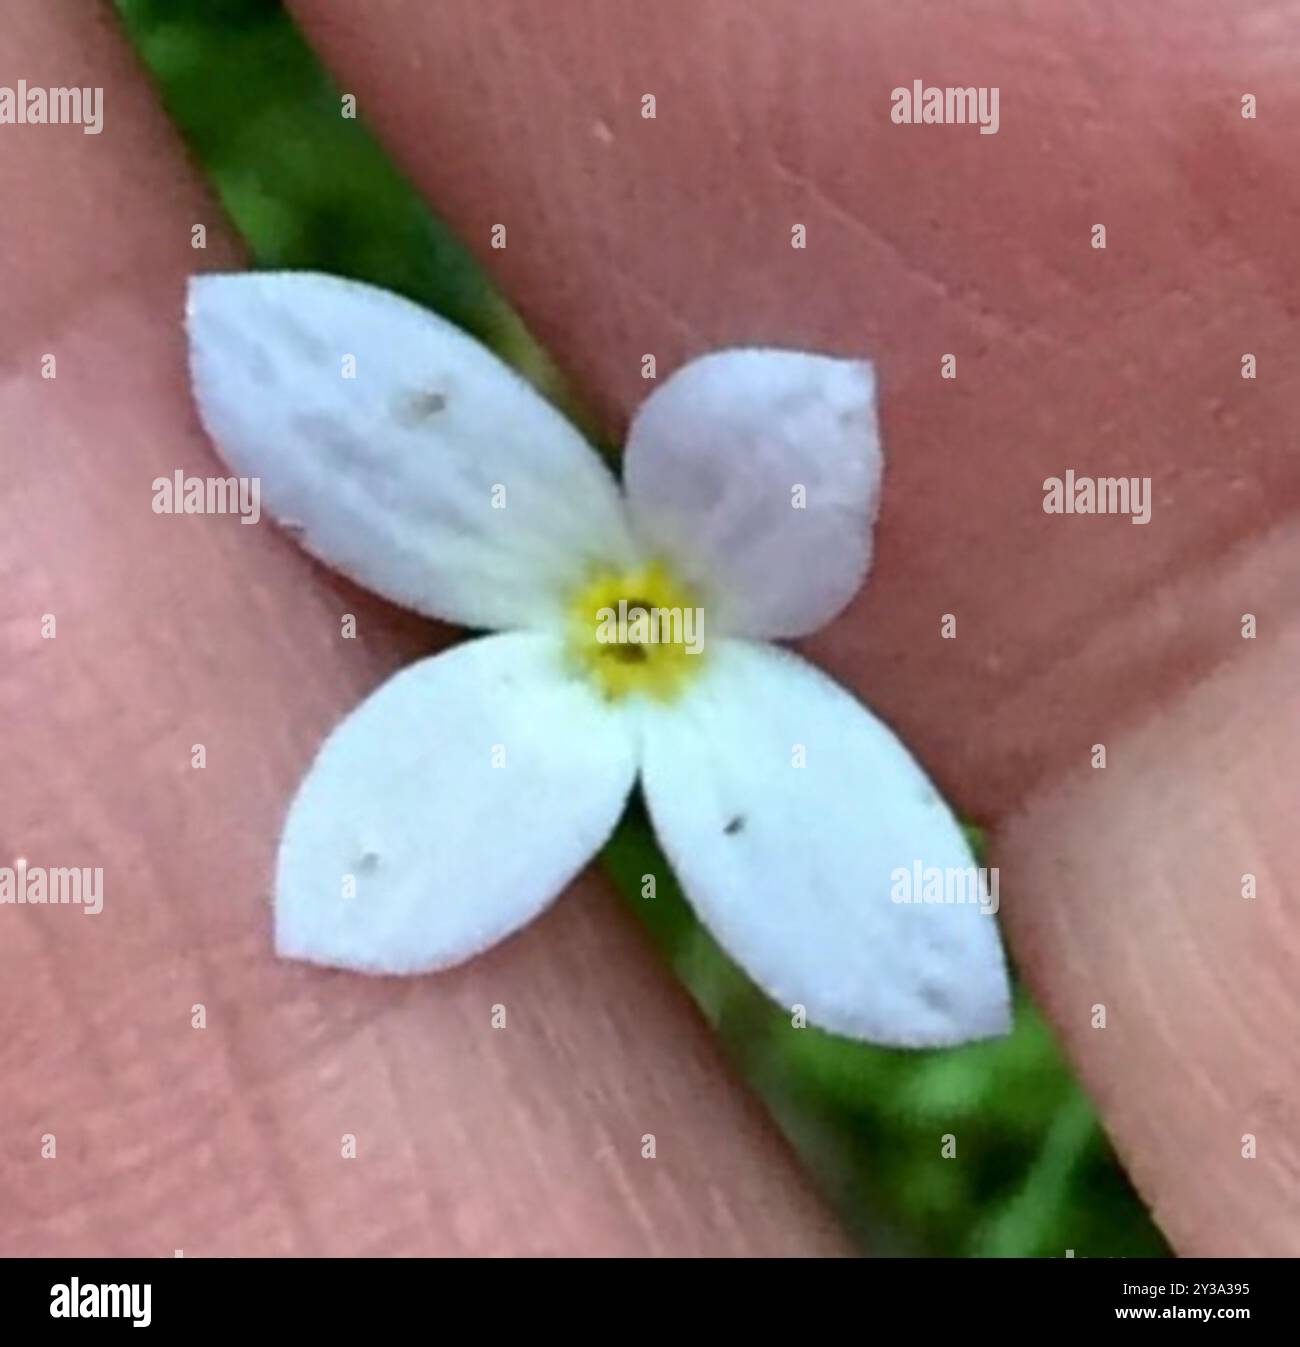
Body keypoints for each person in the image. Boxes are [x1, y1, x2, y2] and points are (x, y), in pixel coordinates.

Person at [1, 0, 1294, 1255]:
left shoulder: (781, 457)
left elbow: (798, 444)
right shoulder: (685, 493)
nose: (625, 624)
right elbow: (373, 858)